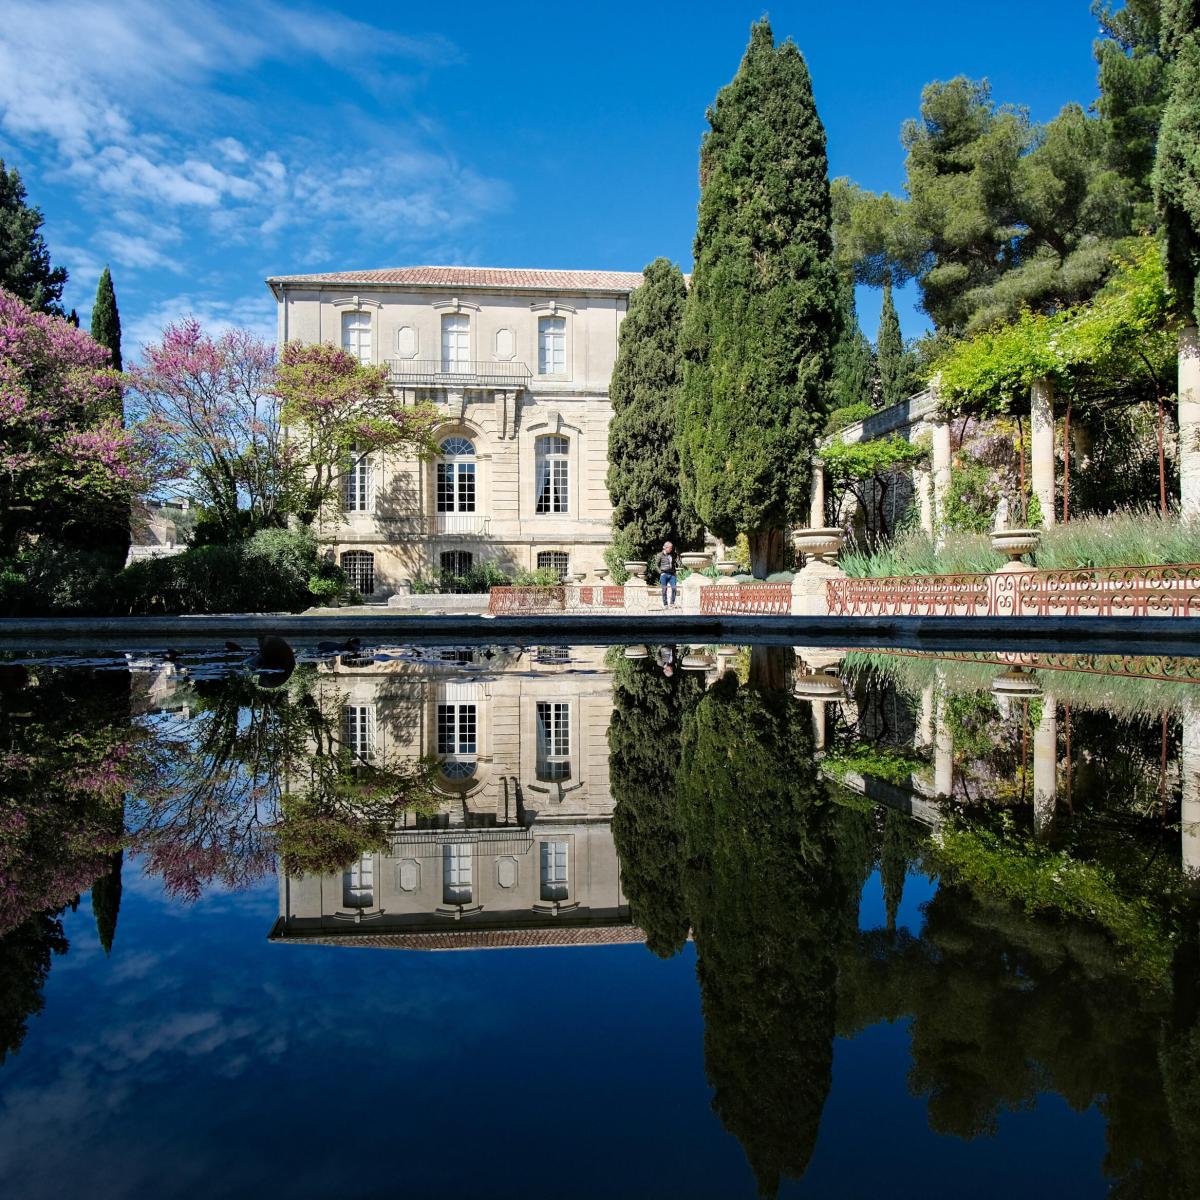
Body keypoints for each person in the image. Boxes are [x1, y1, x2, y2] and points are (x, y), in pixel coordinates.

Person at [656, 542, 679, 608]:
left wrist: (674, 572)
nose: (671, 549)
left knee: (674, 588)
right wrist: (661, 573)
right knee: (664, 589)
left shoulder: (673, 554)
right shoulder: (660, 555)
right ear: (666, 548)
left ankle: (672, 603)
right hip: (664, 574)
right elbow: (656, 565)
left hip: (672, 575)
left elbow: (674, 564)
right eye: (670, 548)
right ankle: (665, 604)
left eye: (672, 548)